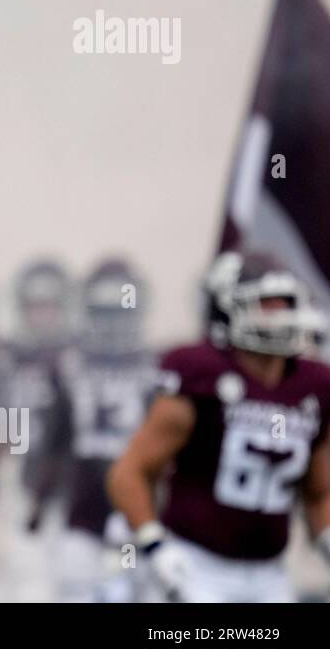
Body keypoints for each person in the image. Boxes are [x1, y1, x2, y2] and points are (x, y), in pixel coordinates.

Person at [107, 251, 330, 602]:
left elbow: (317, 493)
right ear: (227, 310)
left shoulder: (313, 385)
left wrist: (326, 537)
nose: (282, 316)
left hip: (271, 572)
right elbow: (129, 472)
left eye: (285, 304)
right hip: (198, 565)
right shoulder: (201, 374)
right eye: (266, 305)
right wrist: (154, 544)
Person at [28, 258, 158, 601]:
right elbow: (55, 442)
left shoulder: (157, 369)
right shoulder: (68, 365)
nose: (113, 323)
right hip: (82, 510)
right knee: (74, 589)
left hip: (140, 514)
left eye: (120, 312)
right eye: (105, 313)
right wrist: (38, 504)